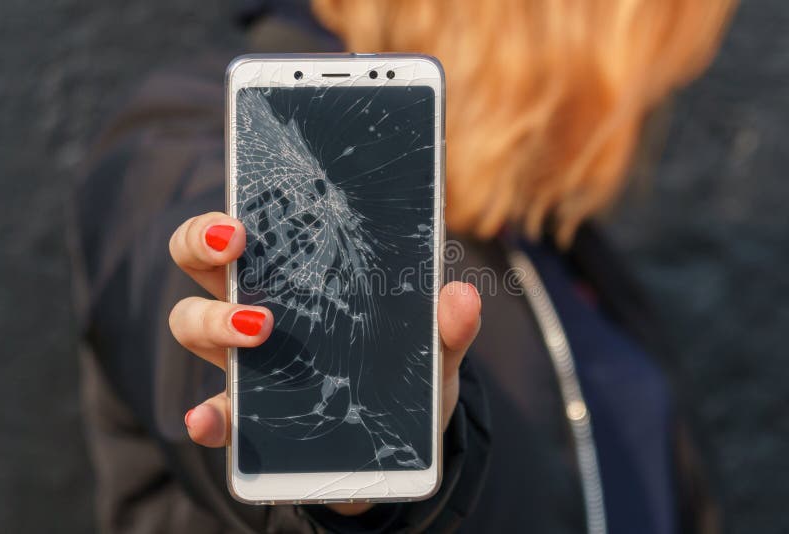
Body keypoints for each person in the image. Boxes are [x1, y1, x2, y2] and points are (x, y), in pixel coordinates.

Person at [70, 1, 736, 532]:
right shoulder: (189, 141)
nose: (658, 85)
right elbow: (189, 352)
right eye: (650, 44)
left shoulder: (546, 245)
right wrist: (351, 489)